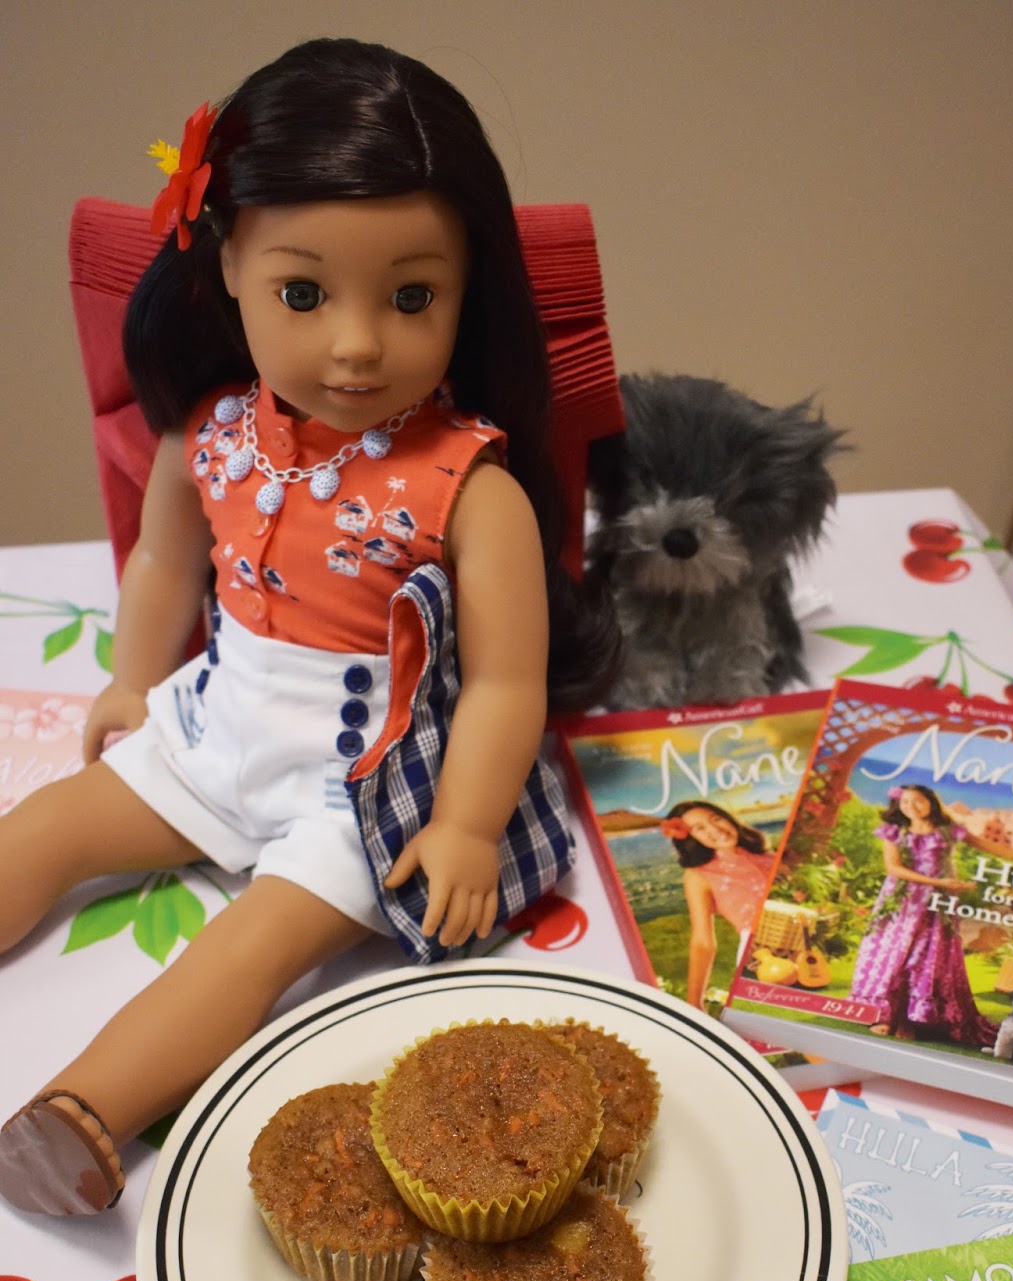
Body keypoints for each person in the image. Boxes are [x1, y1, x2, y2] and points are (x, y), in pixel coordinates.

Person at [0, 39, 617, 1216]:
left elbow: (499, 687)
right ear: (227, 262)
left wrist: (470, 828)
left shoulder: (467, 485)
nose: (354, 343)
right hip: (214, 727)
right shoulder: (214, 434)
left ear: (464, 292)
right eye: (303, 292)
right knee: (45, 827)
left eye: (410, 296)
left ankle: (82, 1114)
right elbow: (164, 559)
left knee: (250, 954)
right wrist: (137, 684)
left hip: (365, 785)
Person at [847, 784, 995, 1047]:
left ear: (931, 802)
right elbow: (894, 868)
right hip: (902, 900)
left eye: (918, 801)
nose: (911, 807)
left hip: (938, 903)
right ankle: (885, 1016)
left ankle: (909, 1020)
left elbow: (999, 850)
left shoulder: (949, 831)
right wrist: (939, 882)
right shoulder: (895, 831)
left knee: (927, 956)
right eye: (905, 802)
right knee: (894, 953)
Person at [662, 800, 770, 1009]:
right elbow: (703, 942)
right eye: (700, 828)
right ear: (691, 838)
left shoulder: (767, 856)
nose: (715, 829)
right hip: (757, 957)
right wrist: (695, 1002)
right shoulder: (699, 876)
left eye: (716, 819)